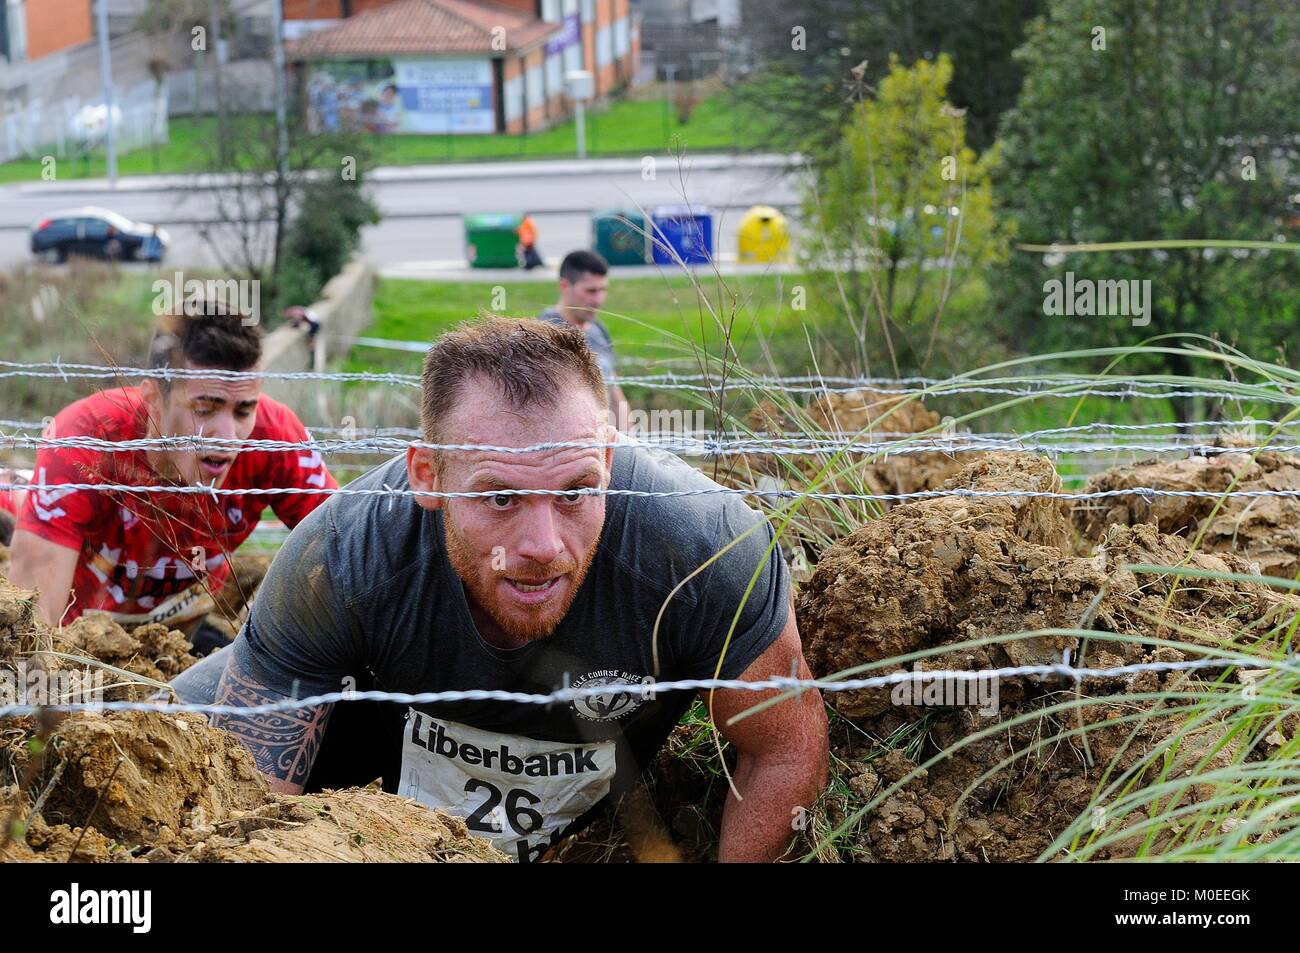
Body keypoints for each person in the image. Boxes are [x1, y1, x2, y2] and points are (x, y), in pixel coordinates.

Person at [174, 317, 828, 862]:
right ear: (428, 474)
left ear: (608, 454)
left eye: (576, 489)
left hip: (533, 805)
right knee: (131, 754)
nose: (544, 544)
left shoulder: (704, 549)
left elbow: (783, 747)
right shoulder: (343, 556)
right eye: (500, 494)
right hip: (347, 773)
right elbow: (249, 806)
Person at [3, 307, 337, 650]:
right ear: (152, 399)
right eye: (204, 409)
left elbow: (351, 548)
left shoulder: (275, 437)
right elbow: (31, 639)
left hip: (176, 631)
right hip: (84, 632)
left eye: (243, 411)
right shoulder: (84, 438)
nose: (227, 436)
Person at [538, 250, 630, 430]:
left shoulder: (598, 328)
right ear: (564, 286)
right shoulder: (546, 333)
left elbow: (613, 386)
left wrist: (631, 440)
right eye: (590, 291)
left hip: (608, 440)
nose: (598, 300)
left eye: (603, 290)